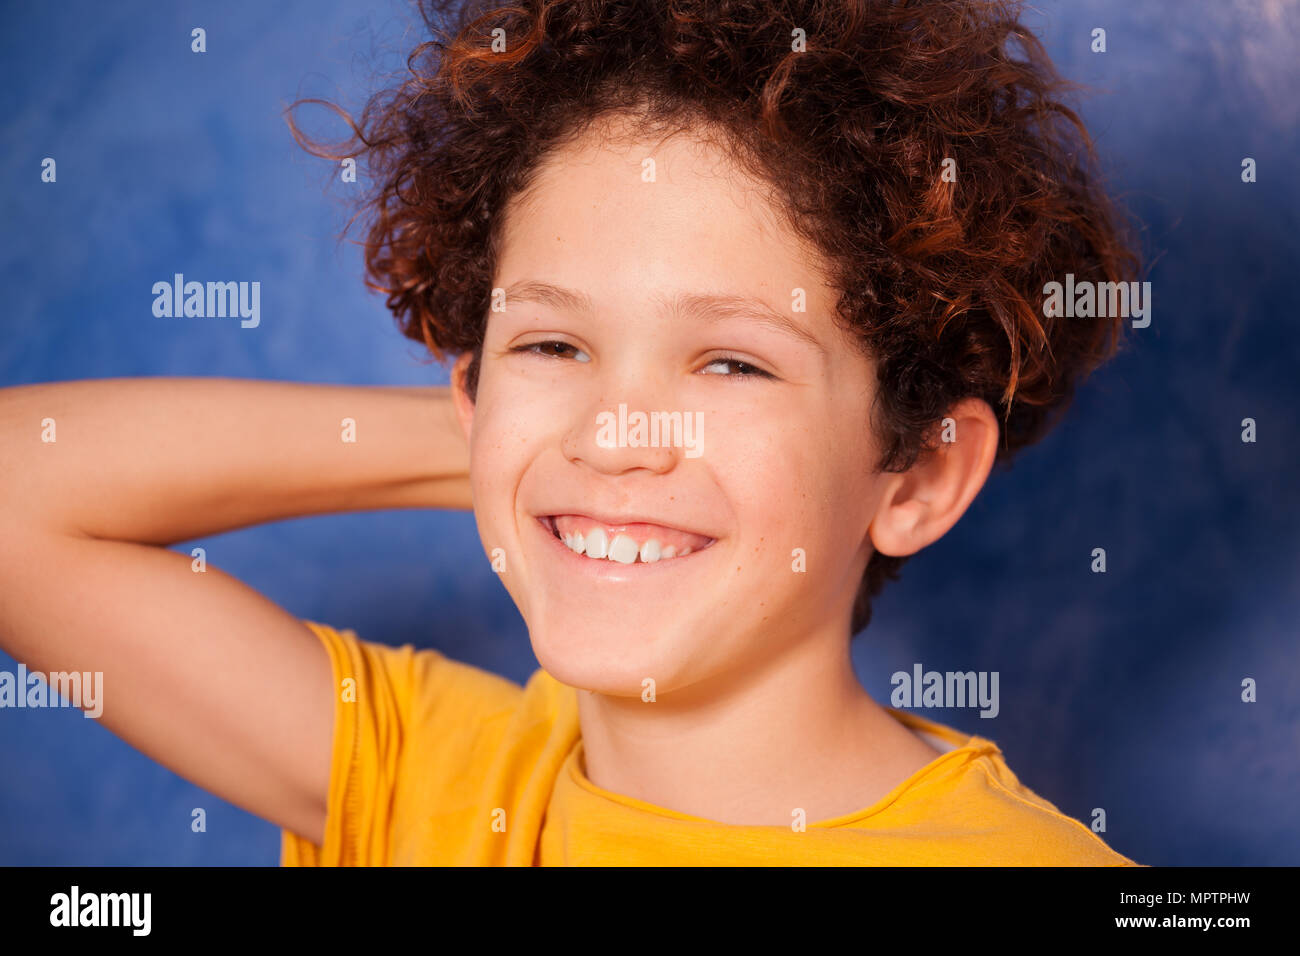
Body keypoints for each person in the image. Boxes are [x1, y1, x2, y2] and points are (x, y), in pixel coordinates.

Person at [0, 0, 1141, 865]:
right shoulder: (448, 781)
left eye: (732, 362)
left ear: (921, 471)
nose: (616, 428)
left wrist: (570, 451)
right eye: (552, 345)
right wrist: (523, 451)